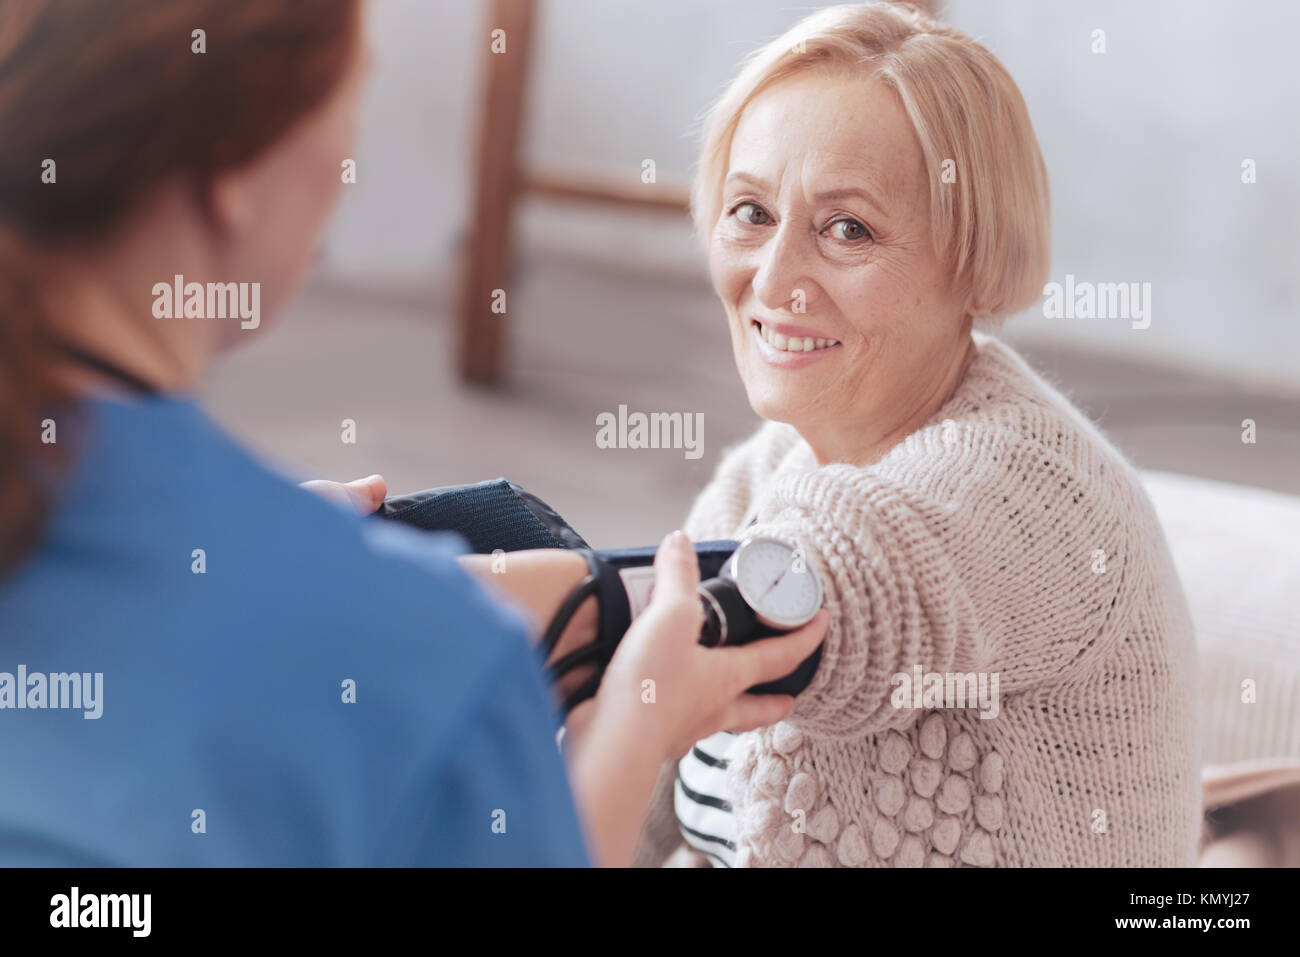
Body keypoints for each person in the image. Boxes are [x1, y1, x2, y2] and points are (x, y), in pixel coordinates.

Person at [0, 0, 826, 868]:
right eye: (350, 106)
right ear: (232, 170)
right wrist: (630, 729)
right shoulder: (432, 656)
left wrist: (238, 557)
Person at [638, 2, 1201, 867]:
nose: (775, 276)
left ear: (974, 262)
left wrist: (496, 599)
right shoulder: (766, 474)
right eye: (750, 212)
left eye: (847, 228)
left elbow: (838, 604)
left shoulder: (1034, 485)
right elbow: (633, 771)